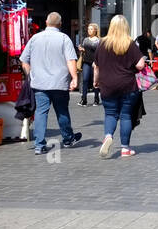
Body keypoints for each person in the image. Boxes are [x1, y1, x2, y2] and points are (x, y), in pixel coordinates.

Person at [19, 11, 81, 156]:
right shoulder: (64, 38)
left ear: (46, 23)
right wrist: (74, 78)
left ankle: (39, 145)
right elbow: (71, 60)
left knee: (41, 112)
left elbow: (24, 60)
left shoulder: (35, 38)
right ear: (60, 24)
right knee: (62, 111)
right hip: (59, 83)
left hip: (40, 83)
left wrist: (30, 75)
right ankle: (67, 138)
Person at [93, 15, 146, 158]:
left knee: (110, 113)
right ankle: (125, 148)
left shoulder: (102, 44)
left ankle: (108, 136)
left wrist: (95, 81)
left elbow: (96, 67)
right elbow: (140, 64)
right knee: (126, 116)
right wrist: (143, 60)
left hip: (107, 85)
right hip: (127, 85)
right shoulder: (129, 44)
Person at [78, 23, 102, 106]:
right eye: (88, 29)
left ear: (95, 30)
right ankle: (83, 99)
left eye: (91, 29)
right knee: (85, 80)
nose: (89, 30)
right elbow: (85, 49)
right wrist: (81, 49)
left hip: (95, 63)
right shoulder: (85, 40)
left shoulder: (99, 40)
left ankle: (96, 99)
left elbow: (100, 52)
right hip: (86, 62)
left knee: (95, 81)